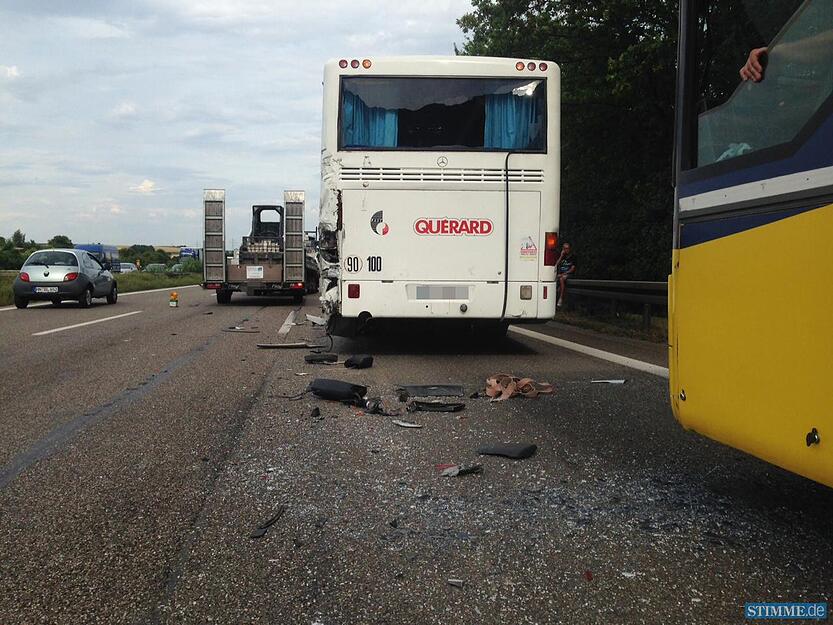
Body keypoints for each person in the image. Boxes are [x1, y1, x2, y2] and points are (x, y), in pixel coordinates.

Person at [556, 242, 576, 308]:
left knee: (561, 278)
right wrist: (561, 256)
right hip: (561, 274)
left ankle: (560, 299)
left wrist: (563, 274)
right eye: (564, 248)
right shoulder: (562, 256)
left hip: (568, 274)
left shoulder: (573, 256)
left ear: (569, 249)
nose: (566, 250)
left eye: (567, 248)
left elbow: (572, 269)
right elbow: (556, 264)